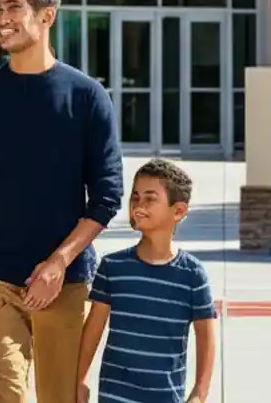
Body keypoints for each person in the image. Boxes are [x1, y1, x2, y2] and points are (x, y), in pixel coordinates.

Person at [0, 0, 124, 403]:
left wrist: (58, 262)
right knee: (6, 397)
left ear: (47, 15)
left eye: (13, 7)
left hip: (65, 281)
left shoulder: (86, 96)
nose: (1, 18)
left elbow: (106, 196)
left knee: (58, 397)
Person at [76, 159, 217, 403]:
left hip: (165, 396)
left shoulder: (193, 275)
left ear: (178, 211)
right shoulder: (113, 267)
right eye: (135, 197)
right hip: (114, 395)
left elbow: (206, 337)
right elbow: (93, 330)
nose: (139, 205)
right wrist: (80, 380)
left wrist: (199, 393)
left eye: (150, 198)